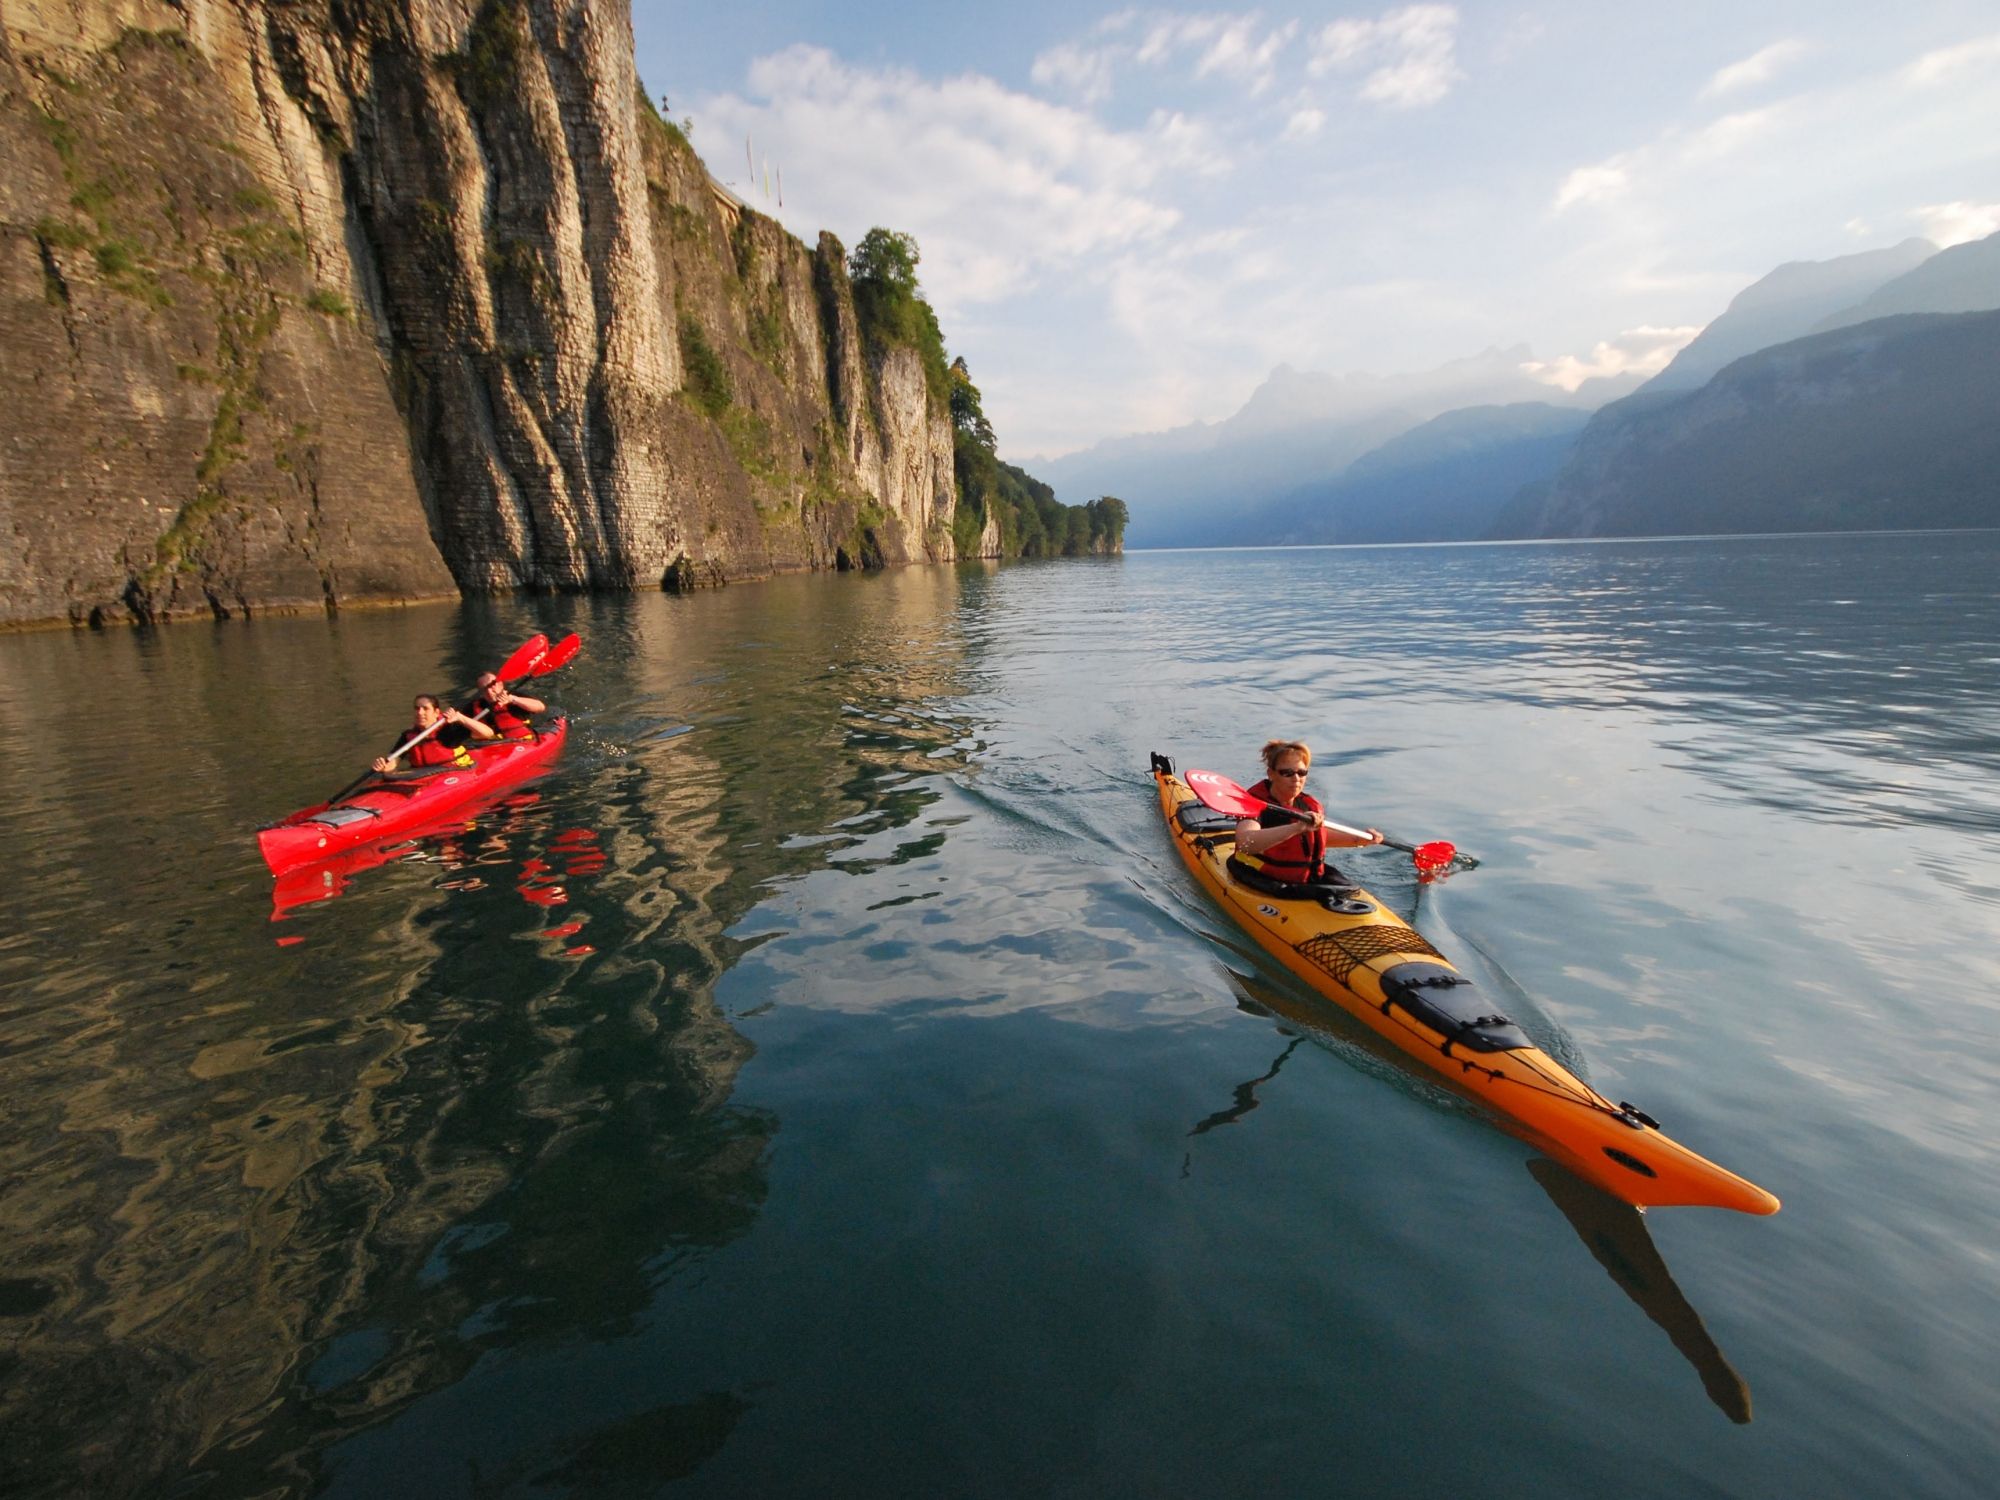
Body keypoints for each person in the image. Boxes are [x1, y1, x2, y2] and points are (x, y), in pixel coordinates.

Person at [1231, 739, 1383, 888]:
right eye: (1287, 773)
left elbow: (1319, 837)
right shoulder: (1254, 803)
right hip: (1260, 878)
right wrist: (1297, 828)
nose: (1296, 779)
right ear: (1271, 774)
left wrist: (1361, 839)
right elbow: (1245, 843)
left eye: (1301, 772)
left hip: (1305, 881)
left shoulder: (1309, 805)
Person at [372, 693, 496, 773]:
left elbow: (488, 733)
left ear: (437, 712)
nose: (420, 712)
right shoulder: (408, 736)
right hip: (422, 778)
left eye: (425, 709)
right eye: (417, 708)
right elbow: (393, 763)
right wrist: (383, 766)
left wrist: (460, 718)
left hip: (454, 774)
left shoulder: (448, 730)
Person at [463, 672, 546, 740]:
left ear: (501, 684)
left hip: (524, 740)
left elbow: (540, 707)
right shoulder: (474, 706)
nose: (489, 691)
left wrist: (514, 700)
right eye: (484, 689)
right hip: (492, 745)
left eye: (492, 686)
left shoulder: (514, 696)